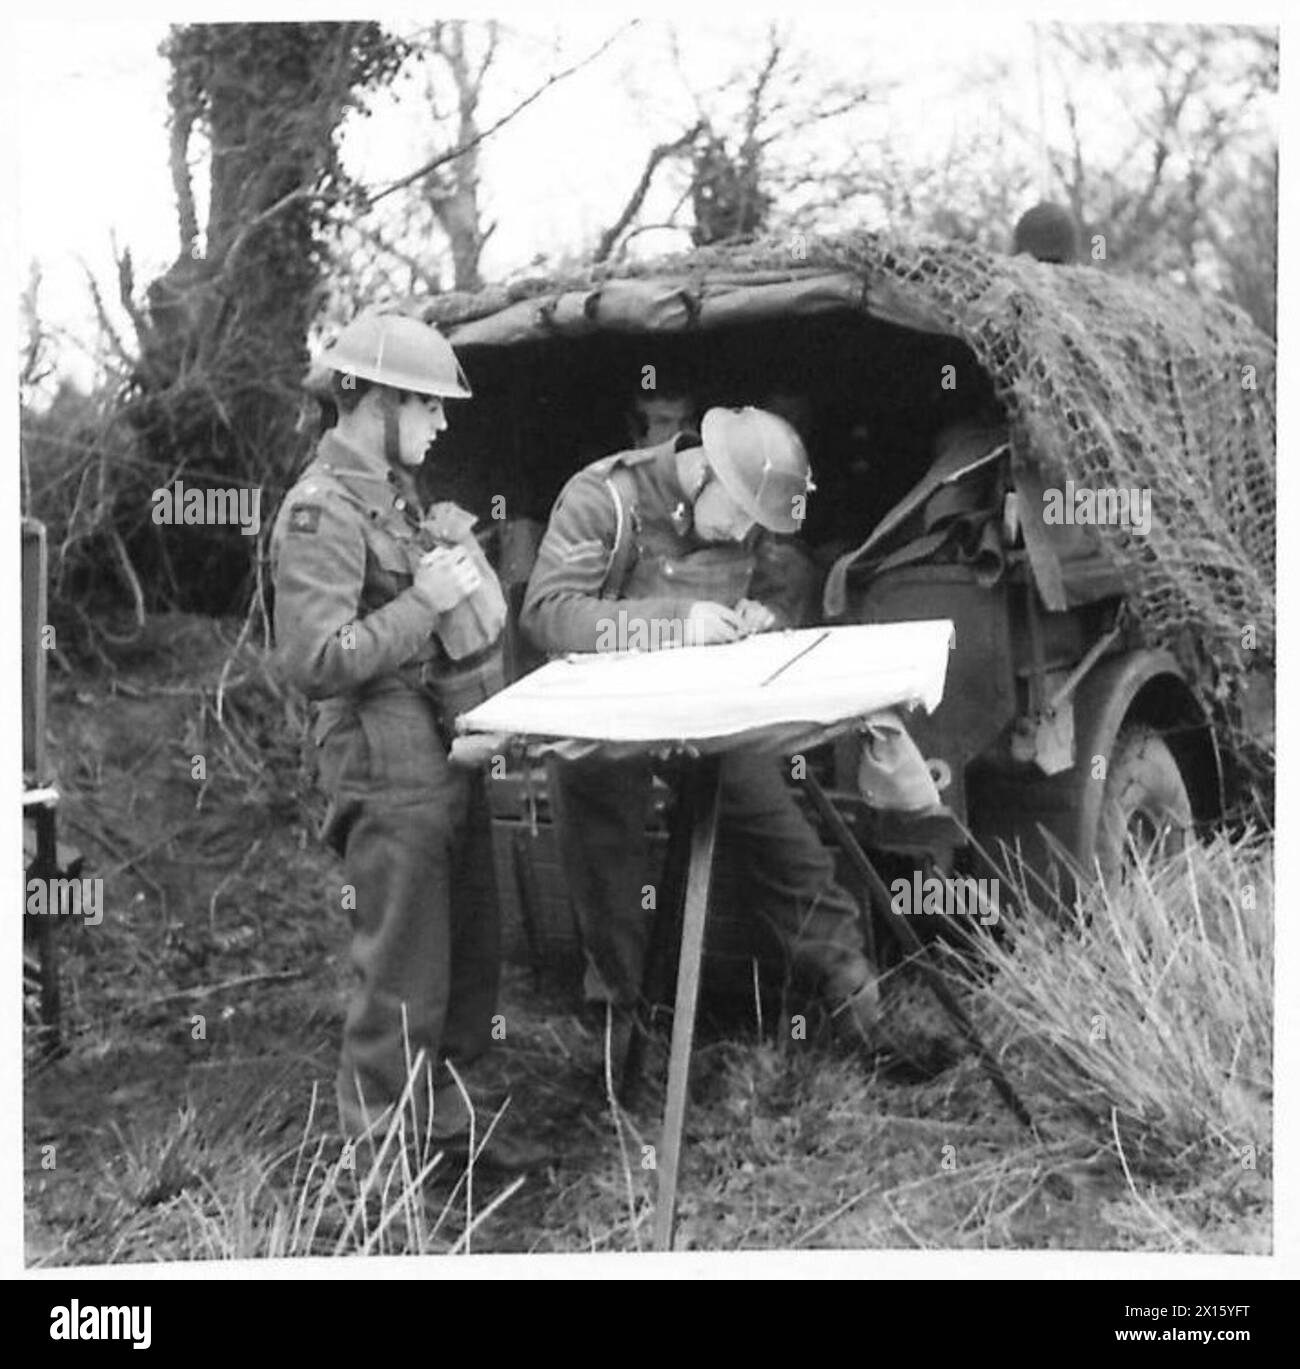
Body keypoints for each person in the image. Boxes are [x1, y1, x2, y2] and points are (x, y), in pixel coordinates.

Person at [520, 404, 884, 1069]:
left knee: (785, 841)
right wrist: (677, 620)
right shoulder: (604, 497)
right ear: (706, 472)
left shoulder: (744, 506)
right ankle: (628, 1042)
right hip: (605, 716)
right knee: (608, 876)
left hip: (703, 714)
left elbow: (786, 578)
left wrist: (764, 615)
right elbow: (547, 614)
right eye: (741, 513)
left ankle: (854, 999)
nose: (745, 532)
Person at [270, 311, 539, 1169]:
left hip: (439, 748)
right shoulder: (321, 511)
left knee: (465, 954)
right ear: (373, 399)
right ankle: (382, 1169)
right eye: (426, 405)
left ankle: (449, 1133)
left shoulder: (395, 495)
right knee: (401, 972)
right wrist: (423, 599)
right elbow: (315, 659)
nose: (442, 422)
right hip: (384, 764)